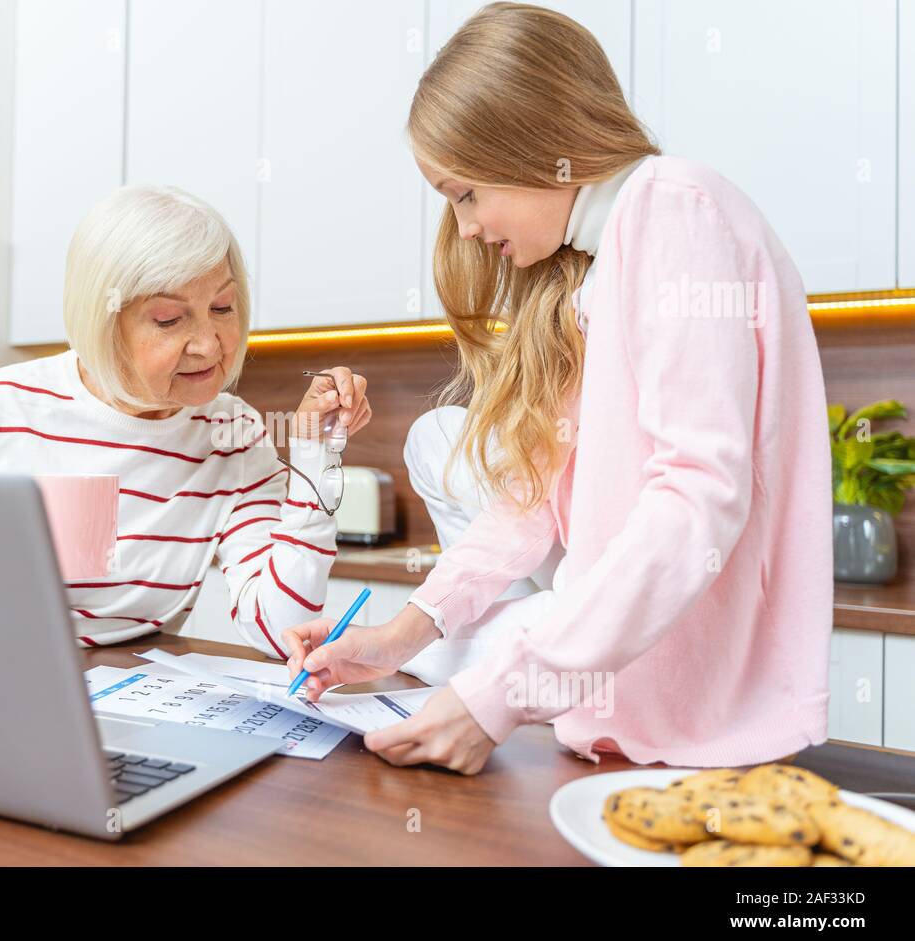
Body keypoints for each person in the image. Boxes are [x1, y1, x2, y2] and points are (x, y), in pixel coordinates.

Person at [283, 2, 831, 774]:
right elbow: (530, 503)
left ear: (530, 141)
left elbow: (697, 498)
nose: (465, 228)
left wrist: (502, 696)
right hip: (629, 726)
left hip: (701, 737)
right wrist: (398, 638)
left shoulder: (674, 208)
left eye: (465, 193)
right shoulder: (593, 278)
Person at [0, 183, 370, 656]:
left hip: (132, 686)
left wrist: (314, 456)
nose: (209, 344)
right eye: (169, 319)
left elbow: (283, 631)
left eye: (222, 308)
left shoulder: (234, 435)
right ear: (103, 321)